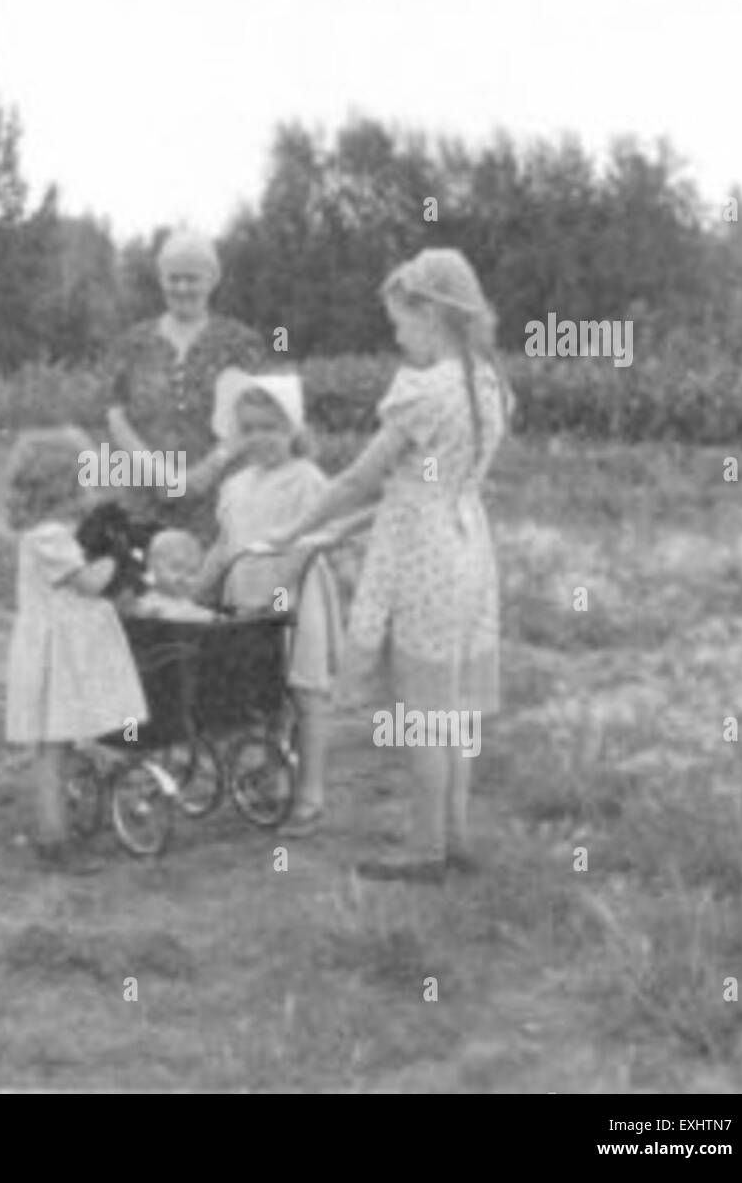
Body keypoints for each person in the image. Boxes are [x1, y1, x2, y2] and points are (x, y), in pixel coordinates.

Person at [262, 250, 512, 880]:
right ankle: (453, 838)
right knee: (451, 708)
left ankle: (425, 849)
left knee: (423, 710)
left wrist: (293, 530)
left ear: (430, 313)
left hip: (424, 556)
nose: (397, 335)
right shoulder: (486, 381)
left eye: (401, 321)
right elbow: (419, 487)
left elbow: (358, 479)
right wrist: (337, 531)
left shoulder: (423, 391)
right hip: (467, 545)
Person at [194, 370, 344, 835]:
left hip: (295, 599)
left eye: (271, 428)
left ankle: (311, 795)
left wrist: (279, 592)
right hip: (247, 599)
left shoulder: (306, 479)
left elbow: (310, 542)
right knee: (262, 693)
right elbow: (224, 544)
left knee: (305, 692)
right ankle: (272, 778)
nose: (260, 438)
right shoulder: (236, 486)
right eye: (250, 429)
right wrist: (199, 589)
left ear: (294, 430)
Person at [4, 427, 149, 872]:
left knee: (62, 740)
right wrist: (120, 557)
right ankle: (53, 838)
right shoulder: (47, 537)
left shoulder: (62, 532)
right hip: (58, 653)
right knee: (53, 744)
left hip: (71, 647)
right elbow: (88, 583)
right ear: (62, 486)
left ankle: (64, 821)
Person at [105, 228, 269, 537]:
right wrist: (157, 473)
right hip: (146, 499)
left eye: (192, 278)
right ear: (161, 279)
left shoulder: (241, 344)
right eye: (173, 278)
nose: (182, 287)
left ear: (212, 279)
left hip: (222, 497)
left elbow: (255, 415)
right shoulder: (132, 342)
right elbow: (116, 414)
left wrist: (208, 469)